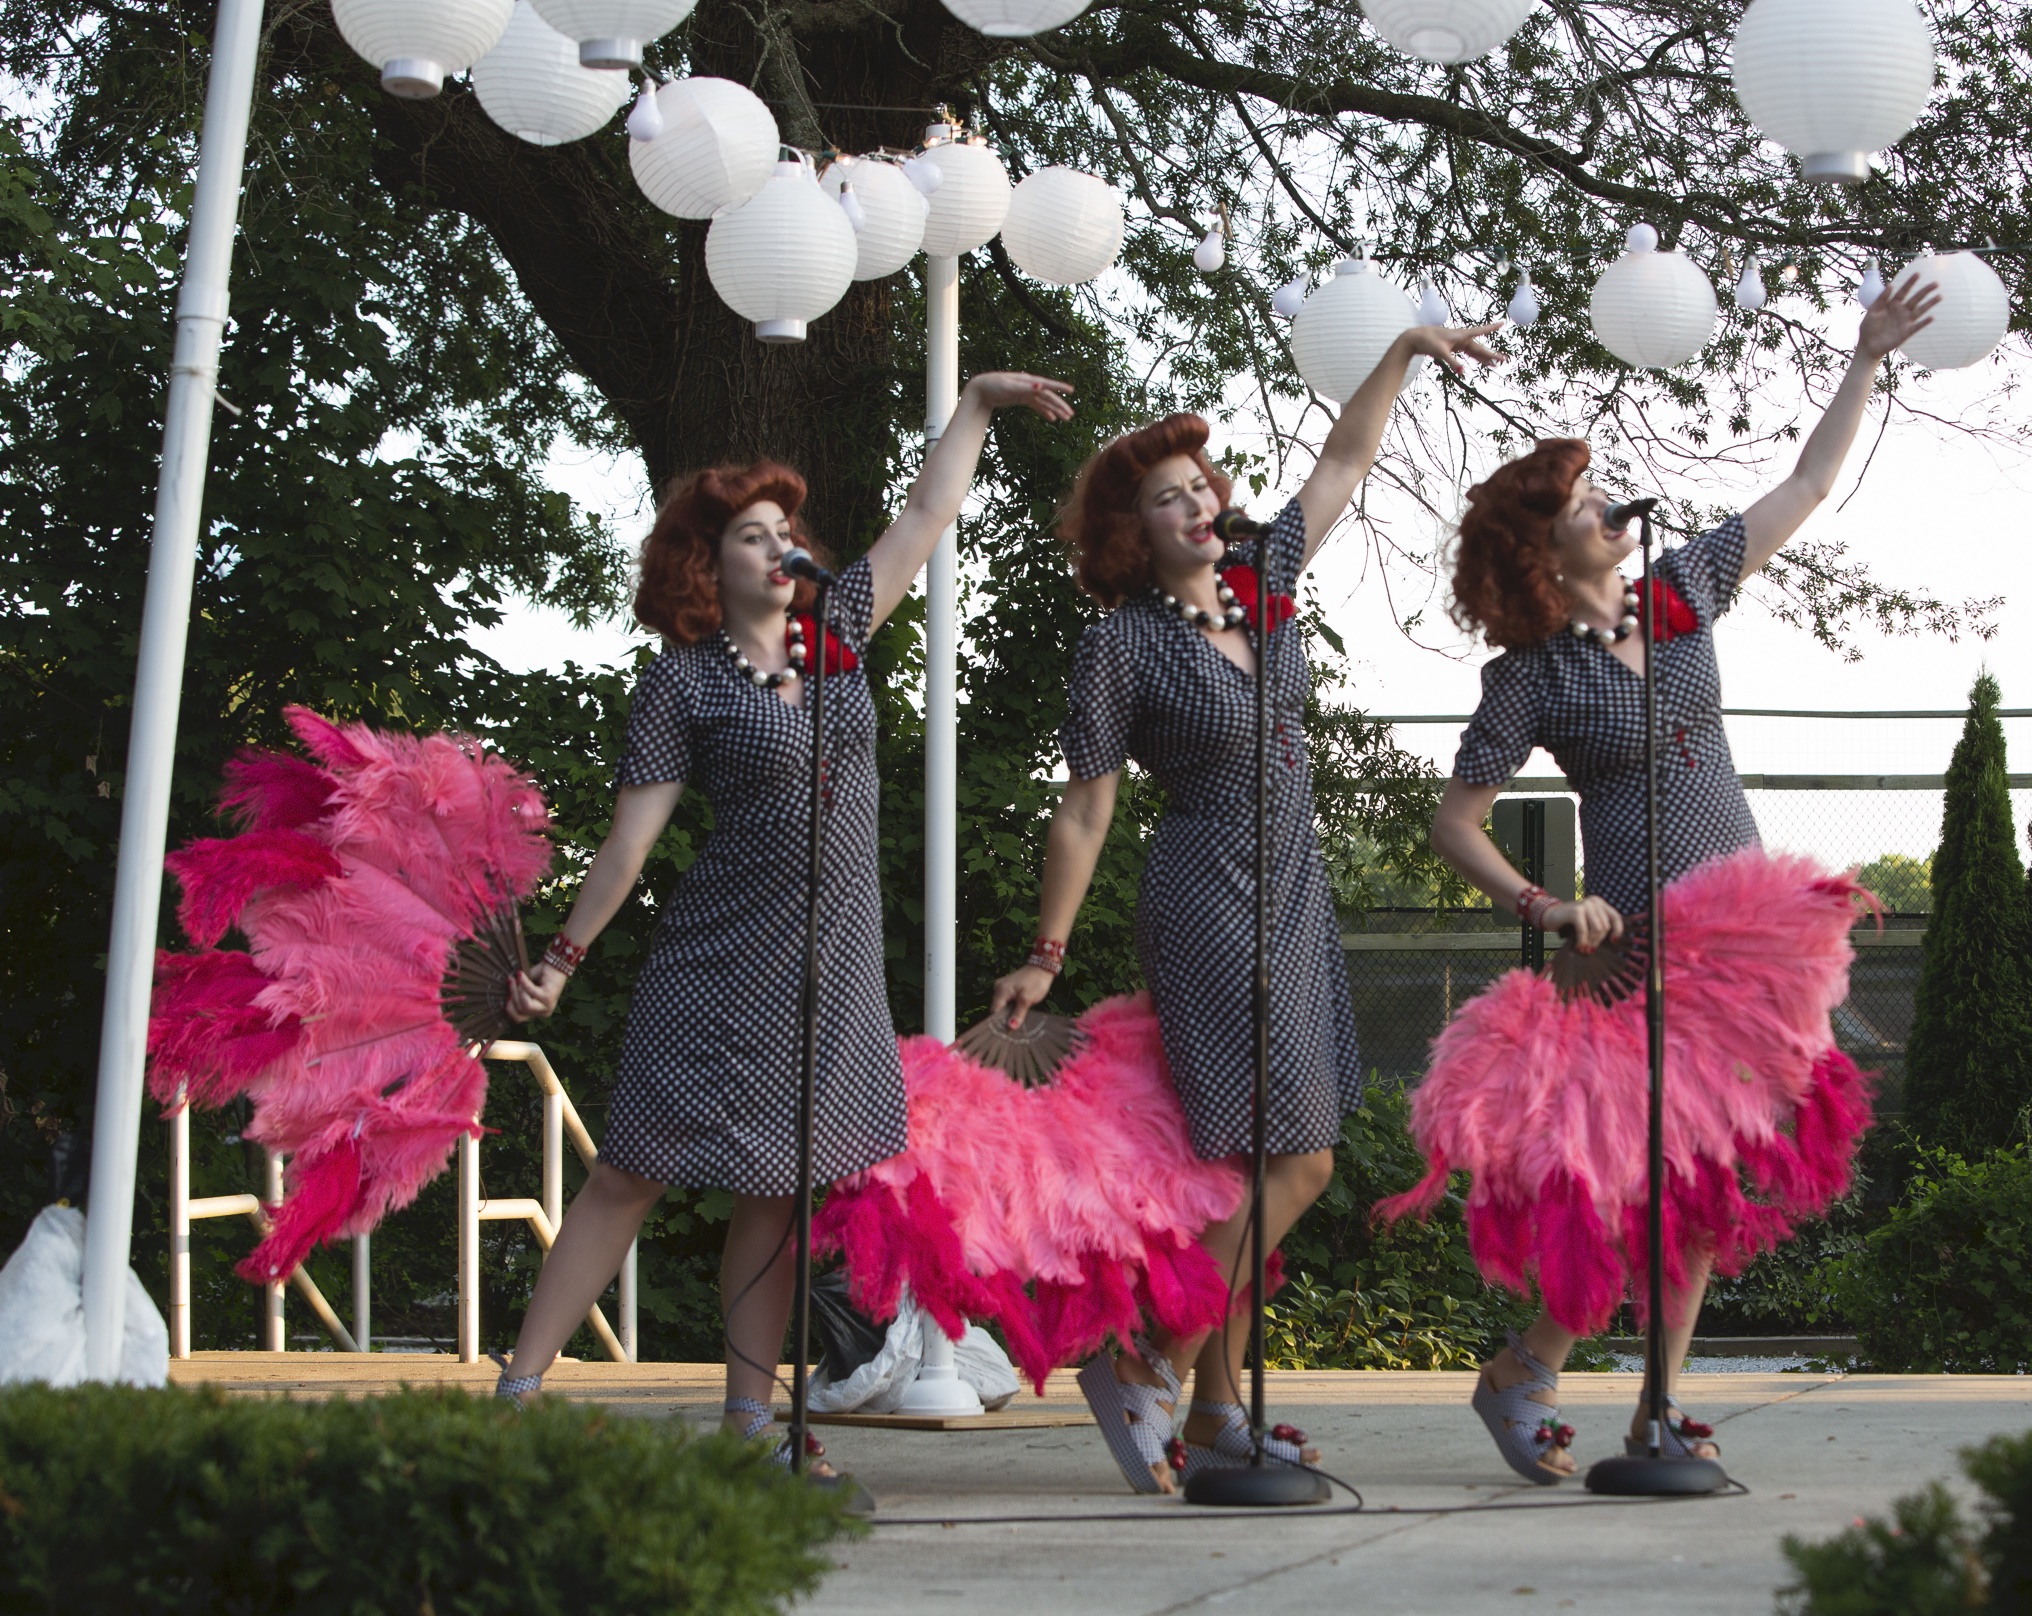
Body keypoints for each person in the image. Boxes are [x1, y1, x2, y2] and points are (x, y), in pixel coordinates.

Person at [1400, 275, 1940, 1484]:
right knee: (1638, 1187)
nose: (1611, 505)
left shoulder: (1685, 593)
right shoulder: (1532, 677)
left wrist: (1863, 359)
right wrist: (1543, 907)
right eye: (1586, 501)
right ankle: (1535, 1368)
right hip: (1639, 951)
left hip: (1748, 943)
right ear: (1542, 549)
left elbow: (1802, 485)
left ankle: (1638, 1401)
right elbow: (1454, 822)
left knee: (1701, 1190)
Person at [492, 372, 1075, 1475]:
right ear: (707, 566)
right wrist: (563, 960)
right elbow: (628, 843)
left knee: (778, 1191)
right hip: (718, 960)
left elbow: (923, 515)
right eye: (752, 536)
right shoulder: (681, 684)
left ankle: (749, 1428)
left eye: (785, 532)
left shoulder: (839, 633)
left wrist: (980, 408)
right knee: (632, 1170)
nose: (778, 548)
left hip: (832, 966)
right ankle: (517, 1393)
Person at [990, 323, 1502, 1493]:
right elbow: (1083, 809)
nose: (1197, 508)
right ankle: (1146, 1360)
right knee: (1291, 1157)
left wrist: (1404, 350)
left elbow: (1342, 462)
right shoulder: (1117, 646)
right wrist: (1046, 951)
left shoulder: (1266, 586)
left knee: (1259, 1164)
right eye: (1169, 500)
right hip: (1207, 890)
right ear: (1135, 533)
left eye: (1201, 490)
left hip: (1297, 891)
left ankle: (1216, 1408)